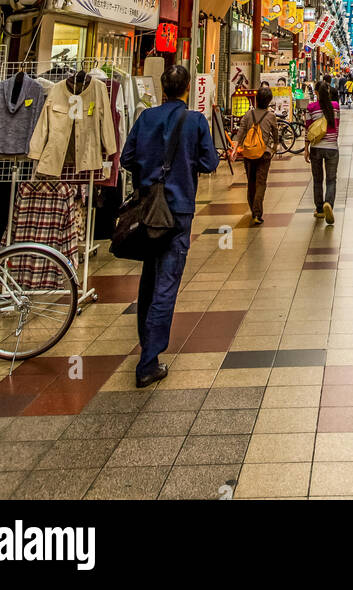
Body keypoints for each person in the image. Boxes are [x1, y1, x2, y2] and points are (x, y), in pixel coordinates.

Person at [120, 64, 219, 388]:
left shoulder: (146, 118)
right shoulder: (195, 121)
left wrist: (149, 171)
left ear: (163, 88)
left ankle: (147, 347)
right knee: (166, 284)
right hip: (178, 212)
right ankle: (148, 361)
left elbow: (126, 157)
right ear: (187, 88)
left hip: (149, 209)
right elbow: (209, 162)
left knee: (149, 280)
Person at [233, 84, 280, 225]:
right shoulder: (271, 116)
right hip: (264, 154)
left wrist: (235, 149)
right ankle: (257, 213)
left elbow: (240, 133)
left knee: (251, 183)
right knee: (261, 183)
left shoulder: (248, 114)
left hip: (248, 154)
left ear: (256, 100)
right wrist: (275, 145)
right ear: (268, 101)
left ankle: (253, 210)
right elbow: (276, 132)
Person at [304, 80, 339, 224]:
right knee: (331, 180)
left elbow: (307, 129)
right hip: (332, 147)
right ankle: (328, 204)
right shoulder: (335, 107)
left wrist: (306, 149)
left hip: (316, 148)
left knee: (318, 179)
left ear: (316, 93)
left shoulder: (311, 107)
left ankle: (319, 210)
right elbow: (337, 126)